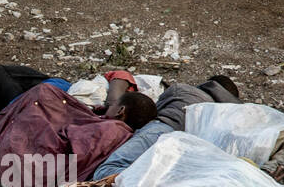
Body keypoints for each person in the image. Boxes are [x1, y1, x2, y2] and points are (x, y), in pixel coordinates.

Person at [0, 82, 156, 187]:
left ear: (122, 111)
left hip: (48, 162)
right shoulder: (121, 132)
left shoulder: (114, 129)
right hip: (49, 164)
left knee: (38, 102)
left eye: (114, 107)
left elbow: (74, 141)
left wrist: (52, 115)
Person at [91, 75, 242, 180]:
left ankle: (150, 181)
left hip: (161, 130)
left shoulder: (183, 90)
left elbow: (151, 112)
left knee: (107, 170)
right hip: (192, 148)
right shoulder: (232, 113)